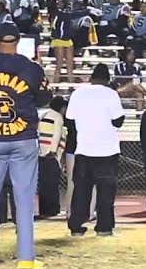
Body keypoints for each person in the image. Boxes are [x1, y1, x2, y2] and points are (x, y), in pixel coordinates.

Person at [0, 23, 49, 269]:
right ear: (18, 41)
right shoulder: (31, 68)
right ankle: (25, 257)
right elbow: (44, 99)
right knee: (24, 199)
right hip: (23, 136)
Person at [66, 65, 124, 237]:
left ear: (92, 77)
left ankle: (76, 226)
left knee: (81, 191)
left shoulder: (78, 93)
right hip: (107, 151)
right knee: (106, 192)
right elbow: (118, 121)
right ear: (107, 79)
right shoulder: (111, 94)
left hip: (84, 149)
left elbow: (69, 119)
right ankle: (104, 228)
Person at [37, 96, 65, 219]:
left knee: (43, 184)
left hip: (40, 153)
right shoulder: (57, 117)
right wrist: (53, 151)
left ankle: (44, 210)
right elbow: (57, 134)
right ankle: (53, 210)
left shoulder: (44, 115)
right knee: (52, 184)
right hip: (51, 155)